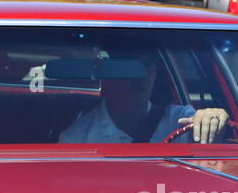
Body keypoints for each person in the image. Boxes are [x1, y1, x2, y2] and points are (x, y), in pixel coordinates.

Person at [59, 54, 227, 144]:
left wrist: (210, 121)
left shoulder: (178, 121)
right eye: (132, 68)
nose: (143, 76)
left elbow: (208, 158)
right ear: (108, 76)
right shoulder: (77, 139)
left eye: (149, 66)